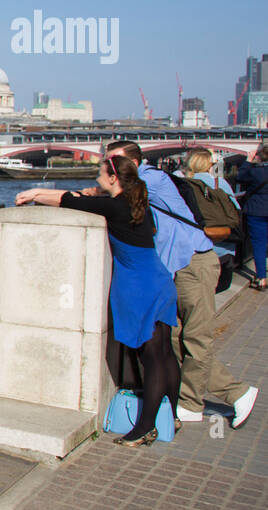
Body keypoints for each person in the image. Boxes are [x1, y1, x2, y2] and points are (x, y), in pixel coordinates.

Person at [16, 156, 179, 446]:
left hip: (140, 287)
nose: (96, 178)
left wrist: (34, 194)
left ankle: (144, 427)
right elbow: (85, 197)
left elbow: (71, 201)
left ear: (113, 178)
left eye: (100, 174)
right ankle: (170, 416)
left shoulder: (114, 206)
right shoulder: (135, 202)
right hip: (160, 280)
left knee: (151, 358)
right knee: (165, 353)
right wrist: (46, 194)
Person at [103, 142, 256, 430]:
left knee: (196, 337)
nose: (111, 168)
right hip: (175, 267)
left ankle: (191, 404)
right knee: (174, 339)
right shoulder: (142, 183)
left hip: (194, 262)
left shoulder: (152, 179)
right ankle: (237, 392)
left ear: (133, 163)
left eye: (115, 162)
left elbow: (120, 197)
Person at [239, 140, 268, 292]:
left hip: (256, 210)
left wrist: (248, 161)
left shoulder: (256, 172)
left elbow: (240, 177)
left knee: (259, 244)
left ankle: (262, 278)